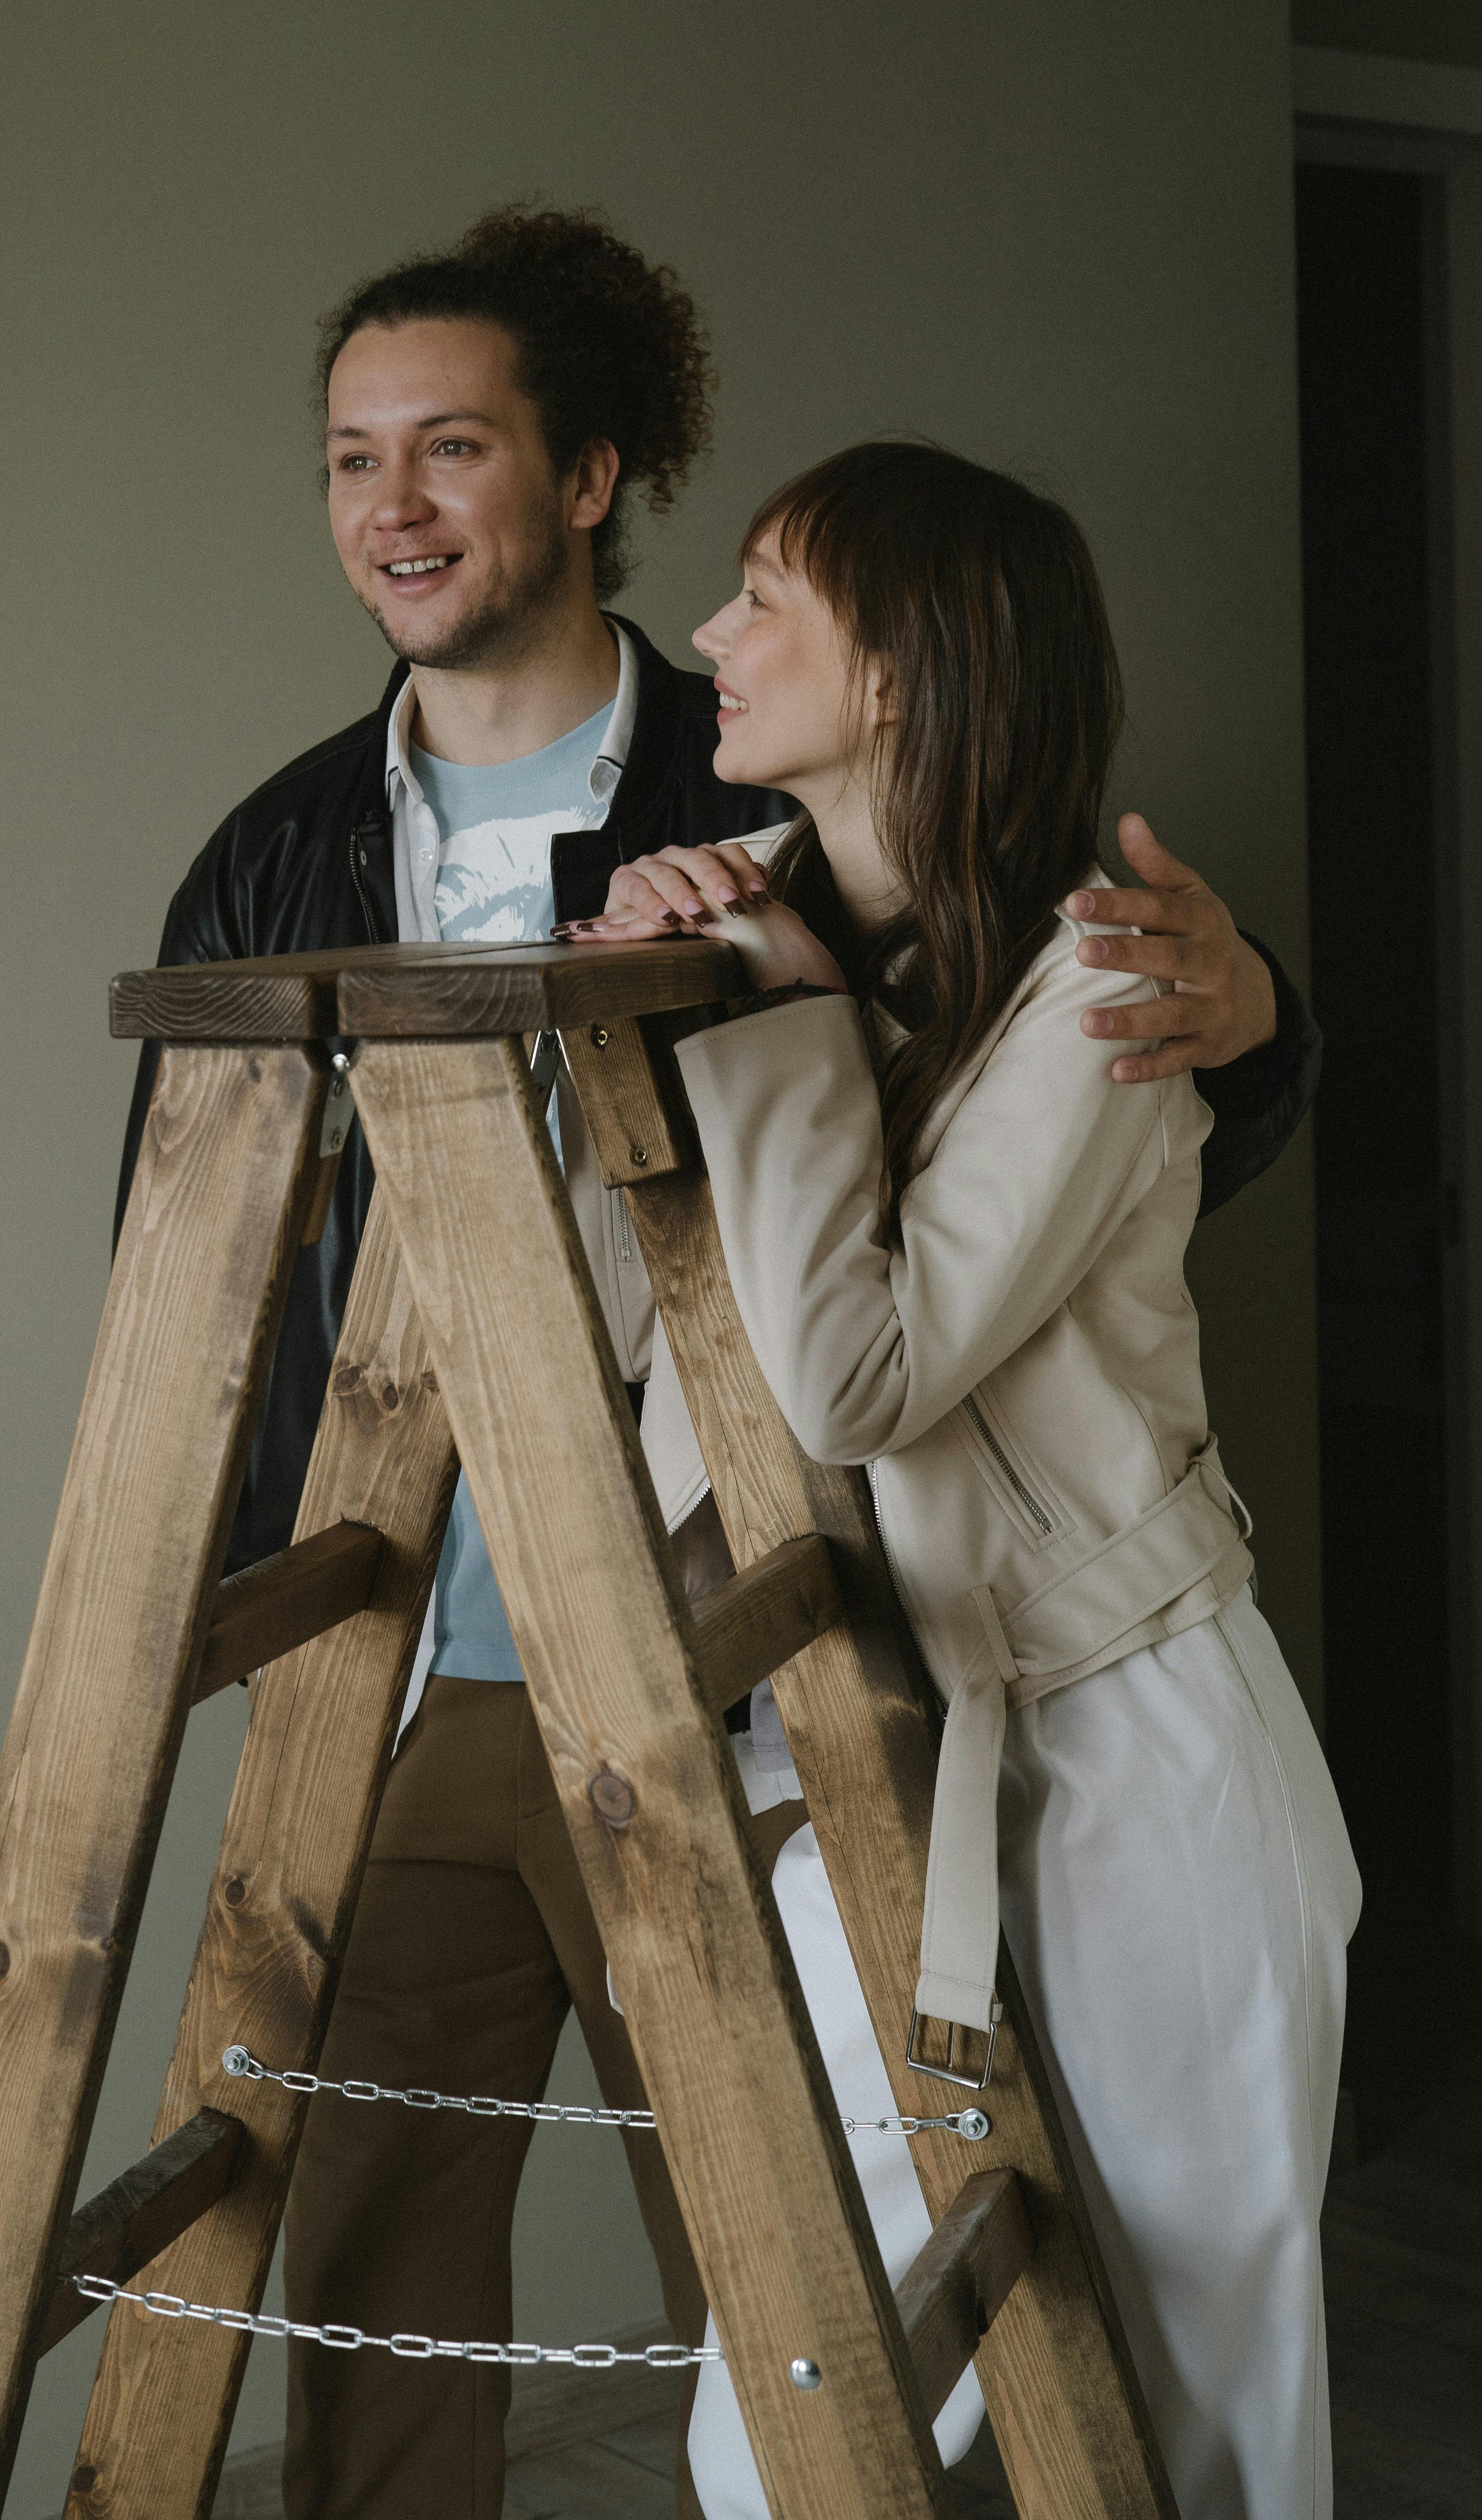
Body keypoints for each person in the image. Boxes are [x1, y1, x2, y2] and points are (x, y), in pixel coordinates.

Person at [113, 212, 1323, 2520]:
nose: (390, 504)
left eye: (449, 446)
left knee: (786, 2274)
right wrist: (257, 1615)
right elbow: (195, 1276)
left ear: (587, 478)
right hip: (405, 1667)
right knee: (369, 2260)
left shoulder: (768, 789)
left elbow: (1066, 1076)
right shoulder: (272, 858)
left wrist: (1259, 1005)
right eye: (352, 455)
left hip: (741, 1656)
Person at [574, 439, 1358, 2518]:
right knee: (799, 2394)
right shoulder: (774, 948)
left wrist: (778, 1017)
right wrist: (659, 997)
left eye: (760, 596)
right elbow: (634, 1351)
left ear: (908, 671)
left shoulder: (1106, 983)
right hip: (851, 1754)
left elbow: (855, 1373)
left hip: (1133, 1750)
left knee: (1209, 2395)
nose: (712, 639)